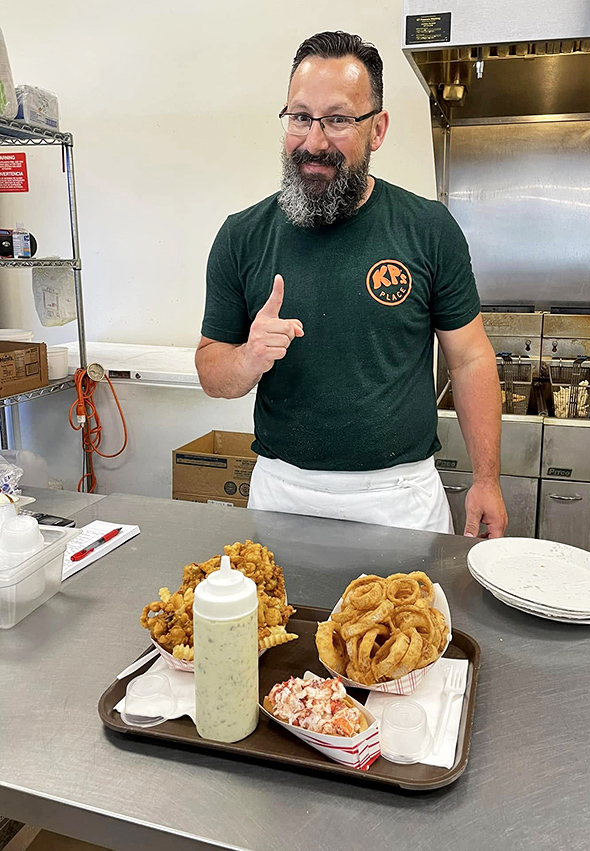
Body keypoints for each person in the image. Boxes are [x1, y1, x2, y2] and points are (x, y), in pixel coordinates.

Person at [196, 30, 507, 537]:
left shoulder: (427, 228)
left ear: (377, 129)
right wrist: (248, 357)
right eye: (300, 117)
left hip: (399, 498)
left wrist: (486, 480)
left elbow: (470, 356)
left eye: (338, 120)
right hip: (282, 494)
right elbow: (212, 372)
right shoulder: (241, 236)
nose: (314, 142)